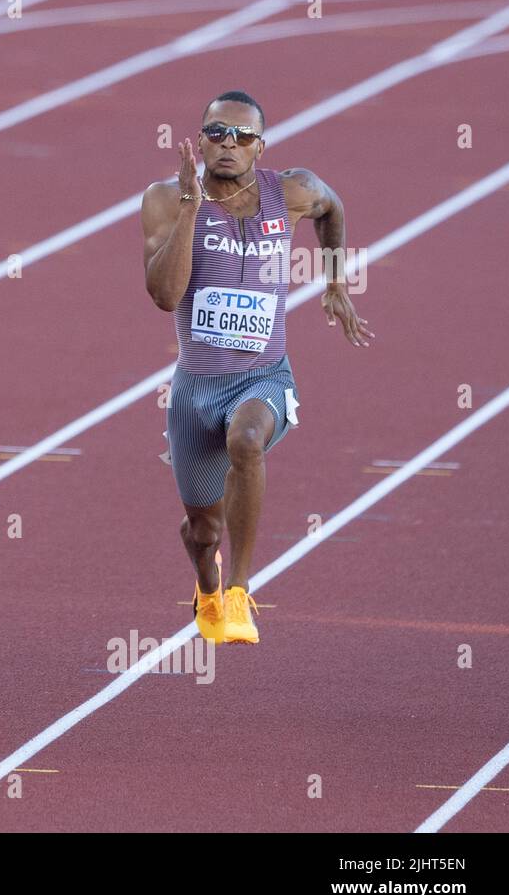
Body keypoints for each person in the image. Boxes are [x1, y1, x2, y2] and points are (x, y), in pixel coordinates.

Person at [140, 90, 373, 644]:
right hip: (197, 387)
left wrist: (335, 281)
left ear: (260, 148)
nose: (229, 144)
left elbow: (332, 208)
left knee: (246, 441)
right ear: (199, 140)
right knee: (203, 527)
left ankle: (241, 591)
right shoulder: (166, 200)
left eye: (243, 137)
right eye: (218, 132)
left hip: (263, 375)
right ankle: (208, 581)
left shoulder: (292, 190)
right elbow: (165, 297)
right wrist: (194, 209)